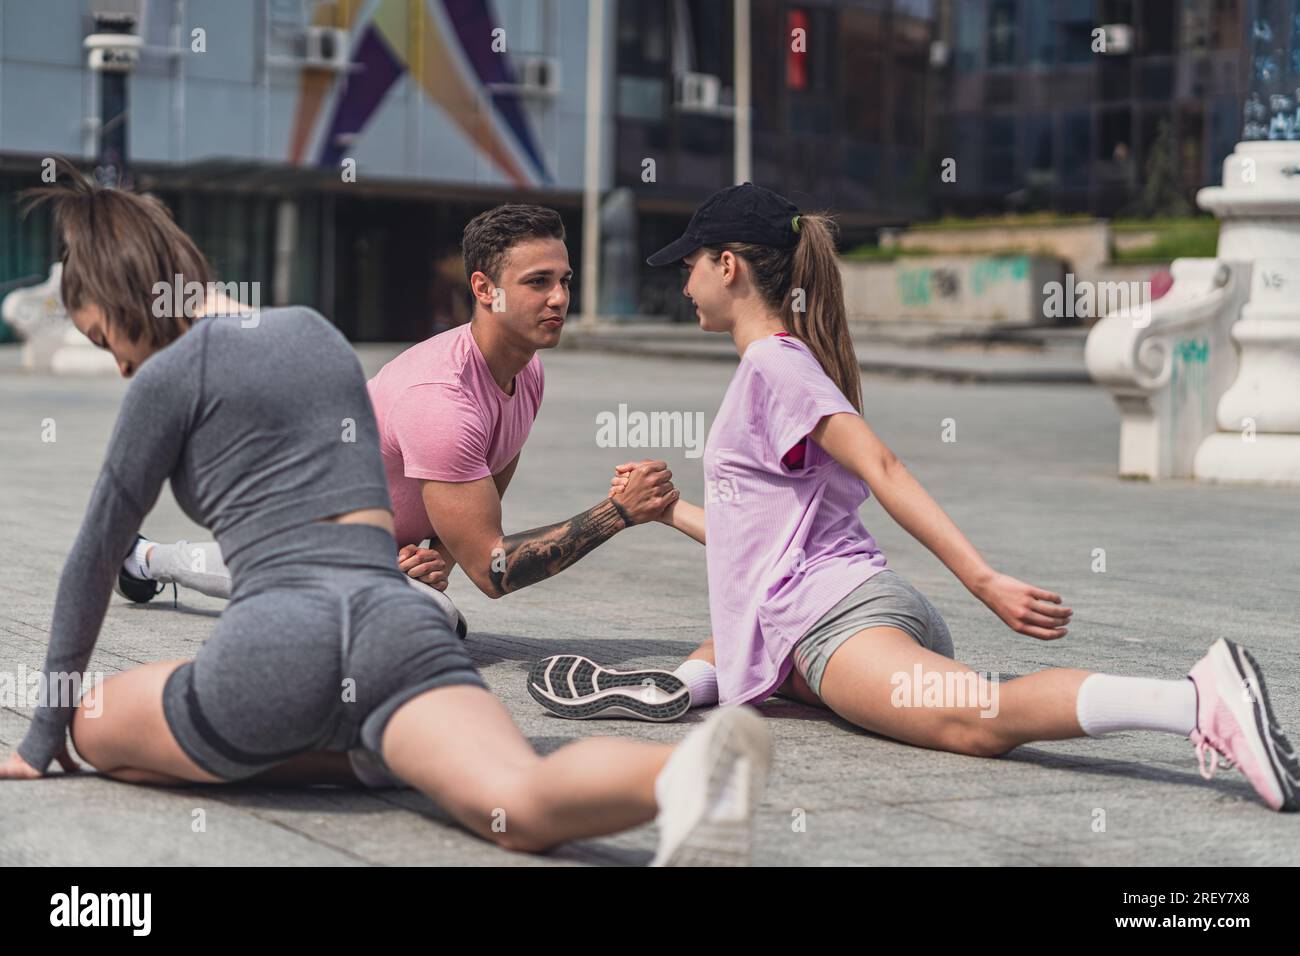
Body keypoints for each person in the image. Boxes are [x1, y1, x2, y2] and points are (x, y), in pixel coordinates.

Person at [0, 162, 772, 867]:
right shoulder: (317, 335)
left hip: (273, 646)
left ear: (118, 292)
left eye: (106, 339)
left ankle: (354, 758)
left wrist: (40, 738)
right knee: (519, 804)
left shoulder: (164, 381)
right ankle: (688, 776)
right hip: (400, 626)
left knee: (94, 724)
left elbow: (92, 557)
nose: (121, 364)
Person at [528, 182, 1299, 813]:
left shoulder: (774, 366)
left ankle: (1197, 701)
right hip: (824, 613)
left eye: (690, 263)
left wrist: (983, 580)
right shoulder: (774, 365)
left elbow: (887, 468)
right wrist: (667, 512)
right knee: (754, 639)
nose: (683, 280)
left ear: (729, 265)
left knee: (979, 722)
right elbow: (762, 538)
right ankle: (699, 678)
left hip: (840, 620)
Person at [115, 203, 680, 652]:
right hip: (297, 521)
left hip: (373, 539)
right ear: (485, 290)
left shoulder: (525, 370)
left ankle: (157, 559)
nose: (560, 297)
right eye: (538, 282)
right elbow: (496, 571)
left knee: (420, 620)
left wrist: (439, 552)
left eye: (564, 279)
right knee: (430, 625)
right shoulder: (440, 397)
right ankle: (143, 558)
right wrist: (618, 512)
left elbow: (486, 484)